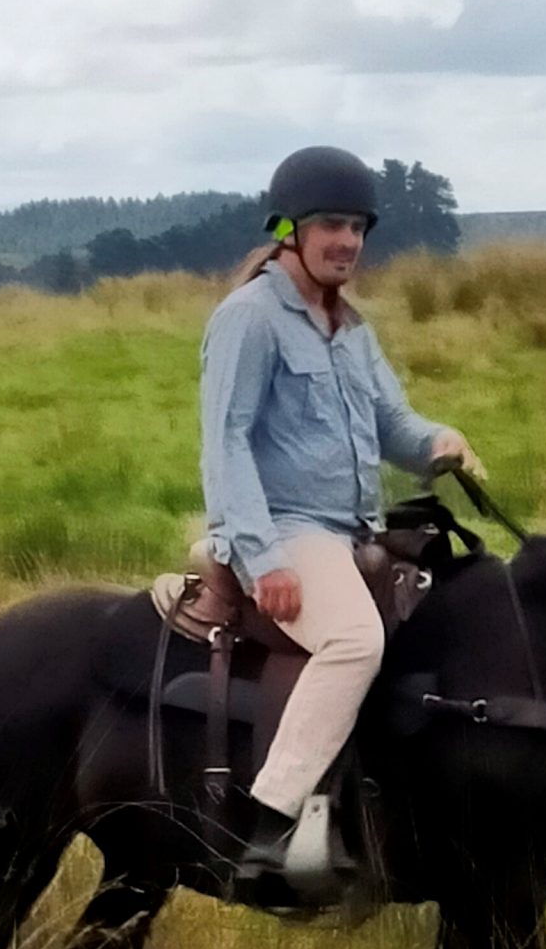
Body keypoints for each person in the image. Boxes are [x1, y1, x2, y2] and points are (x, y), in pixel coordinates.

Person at [199, 145, 480, 885]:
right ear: (290, 228)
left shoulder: (351, 326)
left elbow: (392, 423)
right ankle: (269, 830)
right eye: (331, 225)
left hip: (355, 530)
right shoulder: (249, 318)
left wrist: (440, 444)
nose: (347, 242)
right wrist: (265, 560)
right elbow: (224, 441)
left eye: (357, 228)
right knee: (355, 641)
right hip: (287, 529)